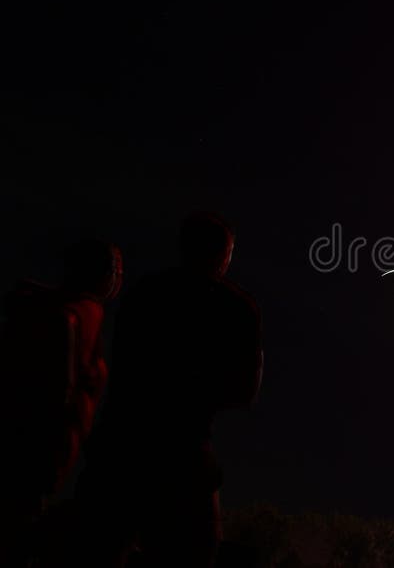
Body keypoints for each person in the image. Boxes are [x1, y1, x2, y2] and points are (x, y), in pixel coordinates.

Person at [73, 212, 262, 568]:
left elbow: (122, 368)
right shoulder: (236, 308)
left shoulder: (142, 294)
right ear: (225, 254)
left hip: (119, 449)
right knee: (194, 552)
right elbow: (244, 391)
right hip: (184, 456)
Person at [0, 239, 122, 567]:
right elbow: (58, 391)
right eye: (116, 270)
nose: (119, 278)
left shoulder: (52, 310)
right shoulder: (76, 315)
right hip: (32, 459)